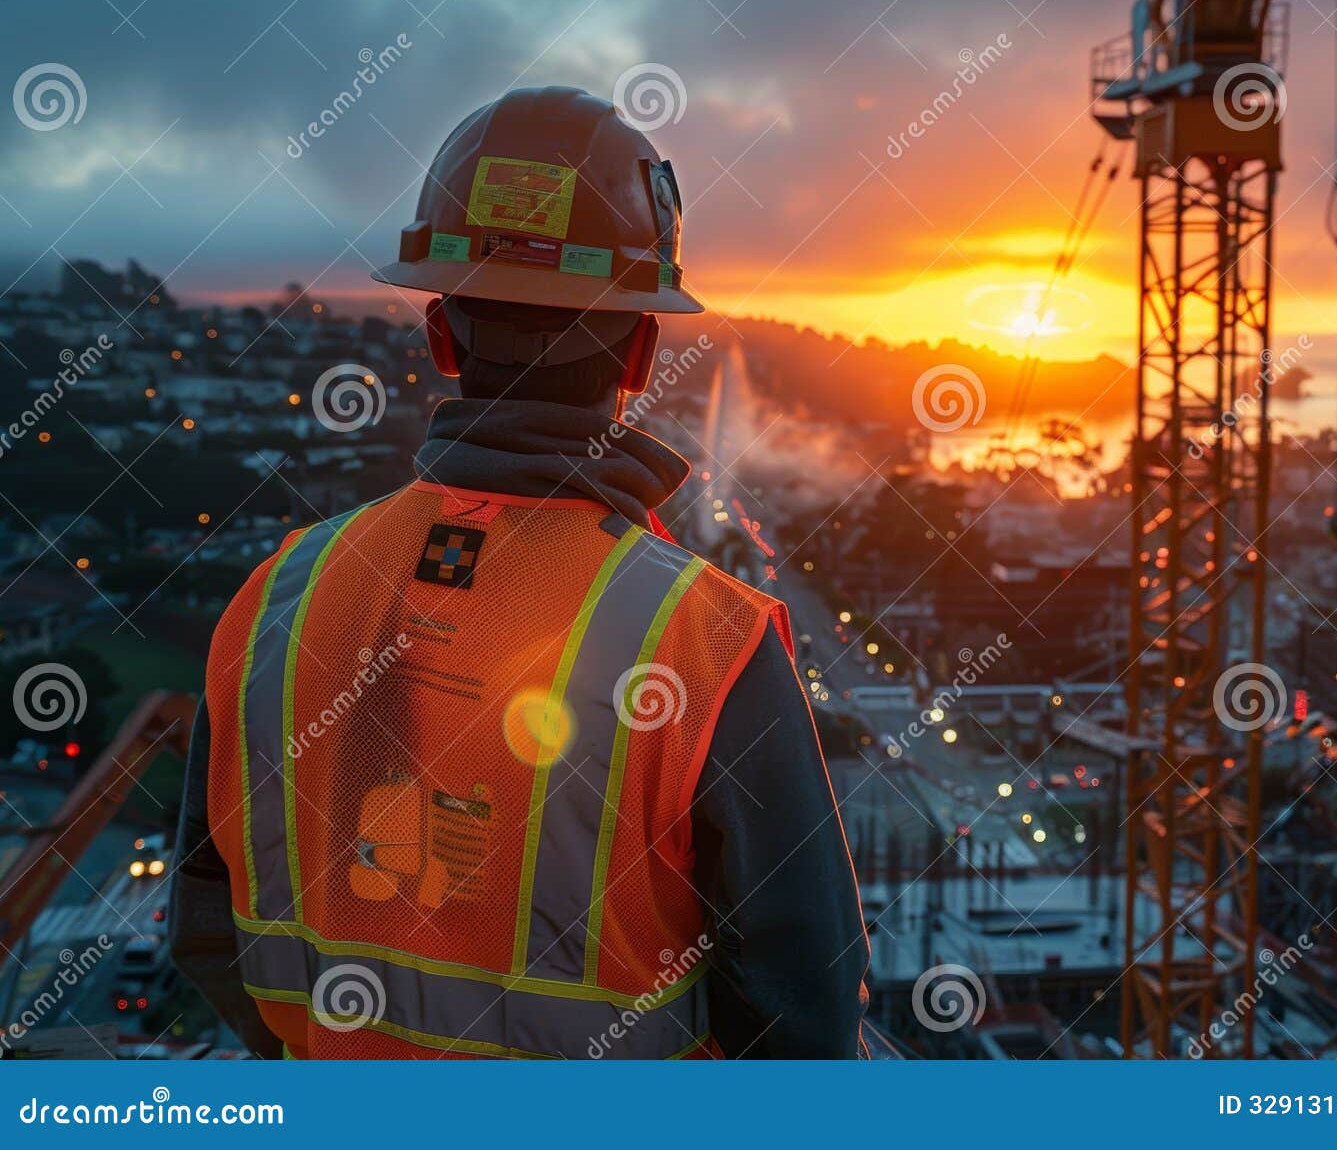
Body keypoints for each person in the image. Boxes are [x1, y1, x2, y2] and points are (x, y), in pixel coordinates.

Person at [170, 86, 869, 1059]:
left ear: (439, 334)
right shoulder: (709, 642)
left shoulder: (277, 599)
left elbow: (207, 927)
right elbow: (806, 1013)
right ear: (641, 351)